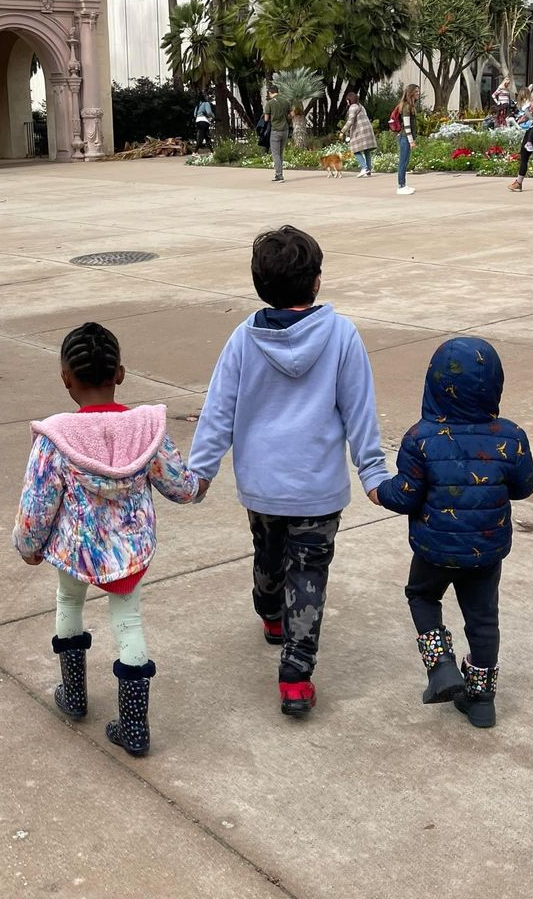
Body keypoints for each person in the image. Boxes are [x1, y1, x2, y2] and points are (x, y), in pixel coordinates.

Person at [188, 226, 388, 718]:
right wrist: (373, 472)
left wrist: (201, 471)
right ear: (316, 281)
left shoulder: (243, 338)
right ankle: (296, 679)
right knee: (310, 575)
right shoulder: (342, 335)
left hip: (262, 485)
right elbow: (359, 410)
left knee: (269, 553)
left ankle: (270, 611)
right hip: (319, 488)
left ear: (260, 286)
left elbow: (218, 411)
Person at [13, 322, 207, 756]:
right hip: (129, 552)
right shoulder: (146, 430)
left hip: (75, 550)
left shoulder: (55, 438)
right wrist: (199, 485)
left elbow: (37, 504)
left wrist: (29, 547)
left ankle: (74, 696)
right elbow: (180, 486)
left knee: (69, 603)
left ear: (66, 379)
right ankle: (135, 728)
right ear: (120, 373)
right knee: (129, 621)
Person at [370, 337, 533, 728]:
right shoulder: (511, 437)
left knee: (422, 595)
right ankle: (481, 701)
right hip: (485, 551)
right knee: (483, 619)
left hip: (435, 549)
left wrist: (379, 491)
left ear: (433, 383)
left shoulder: (420, 438)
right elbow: (524, 485)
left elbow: (406, 495)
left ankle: (441, 665)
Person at [340, 91, 378, 178]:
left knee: (355, 150)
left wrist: (342, 131)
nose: (347, 102)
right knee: (366, 150)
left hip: (360, 131)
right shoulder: (361, 106)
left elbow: (350, 121)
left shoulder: (353, 107)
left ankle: (364, 168)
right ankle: (368, 171)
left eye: (347, 100)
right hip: (368, 130)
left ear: (349, 100)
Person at [393, 84, 420, 195]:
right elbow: (407, 125)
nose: (418, 93)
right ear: (411, 93)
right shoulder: (406, 107)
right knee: (403, 162)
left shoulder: (410, 106)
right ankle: (401, 186)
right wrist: (411, 140)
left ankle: (403, 184)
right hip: (404, 137)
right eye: (416, 91)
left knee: (405, 161)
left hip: (406, 137)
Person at [264, 82, 291, 183]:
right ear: (278, 91)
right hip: (285, 130)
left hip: (275, 130)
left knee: (275, 154)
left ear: (270, 93)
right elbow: (291, 114)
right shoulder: (286, 101)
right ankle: (279, 174)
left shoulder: (270, 103)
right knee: (280, 153)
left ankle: (279, 175)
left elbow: (266, 119)